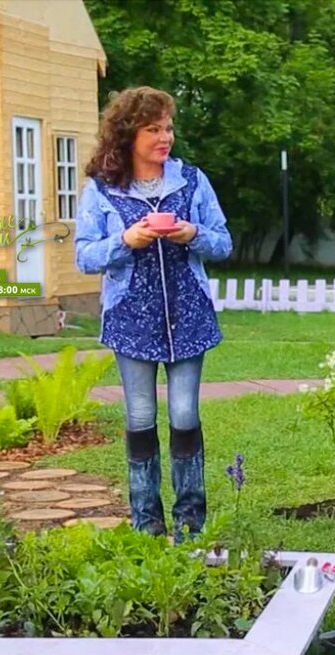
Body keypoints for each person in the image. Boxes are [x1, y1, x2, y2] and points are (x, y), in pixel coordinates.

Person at [74, 86, 232, 540]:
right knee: (140, 418)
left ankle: (190, 522)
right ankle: (146, 524)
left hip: (189, 316)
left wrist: (192, 233)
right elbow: (84, 257)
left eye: (168, 127)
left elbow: (223, 243)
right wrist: (126, 241)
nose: (165, 137)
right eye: (154, 129)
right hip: (130, 320)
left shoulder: (193, 181)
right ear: (129, 134)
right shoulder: (102, 191)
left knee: (184, 415)